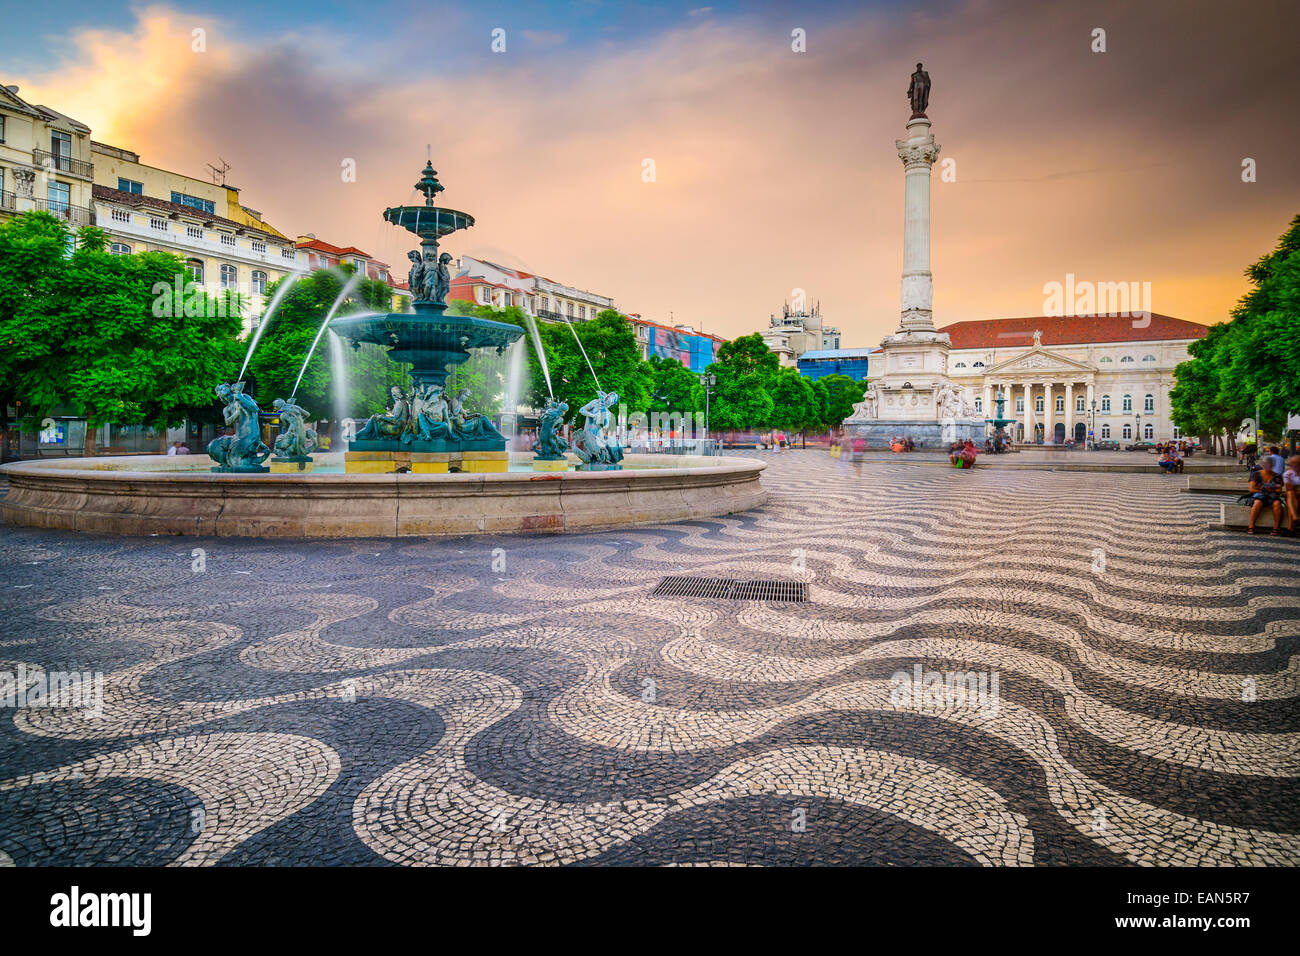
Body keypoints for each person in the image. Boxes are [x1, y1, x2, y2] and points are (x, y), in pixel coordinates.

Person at [1247, 462, 1285, 535]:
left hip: (1272, 496)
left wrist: (1271, 490)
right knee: (1257, 503)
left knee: (1277, 504)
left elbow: (1279, 490)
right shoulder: (1256, 474)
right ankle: (1251, 526)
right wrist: (1263, 489)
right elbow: (1251, 489)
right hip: (1260, 495)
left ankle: (1276, 528)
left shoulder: (1277, 475)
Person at [1284, 455, 1300, 535]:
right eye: (1291, 464)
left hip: (1296, 495)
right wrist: (1289, 480)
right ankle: (1295, 519)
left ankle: (1290, 528)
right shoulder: (1288, 473)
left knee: (1291, 498)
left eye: (1295, 464)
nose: (1292, 466)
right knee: (1290, 494)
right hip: (1294, 495)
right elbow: (1288, 489)